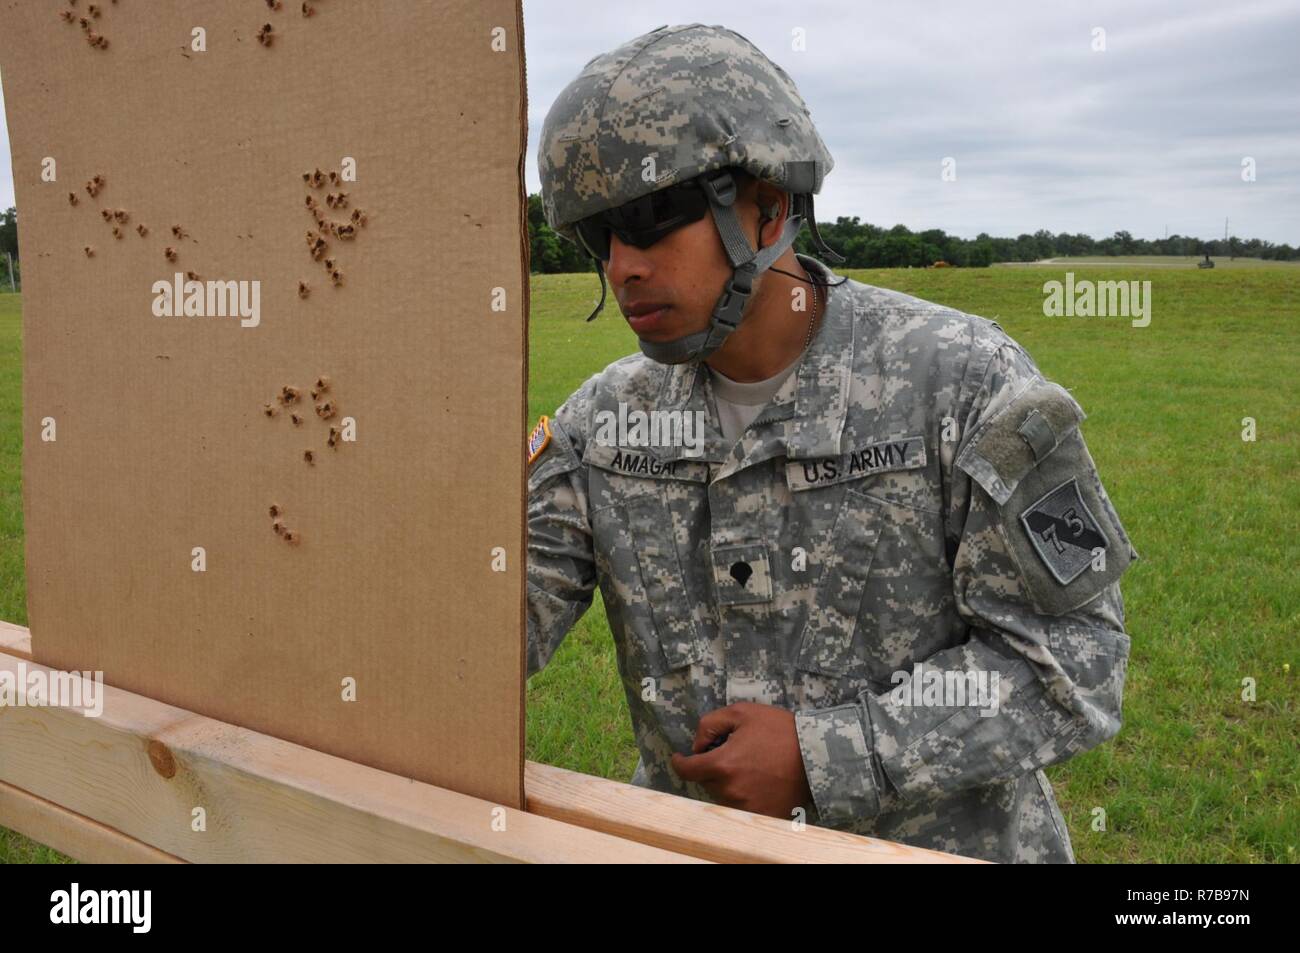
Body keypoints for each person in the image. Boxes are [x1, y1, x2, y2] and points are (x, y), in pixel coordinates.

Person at [527, 23, 1138, 863]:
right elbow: (482, 624)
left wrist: (831, 755)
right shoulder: (603, 425)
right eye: (601, 234)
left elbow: (1076, 661)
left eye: (651, 218)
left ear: (770, 205)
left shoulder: (960, 383)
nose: (624, 265)